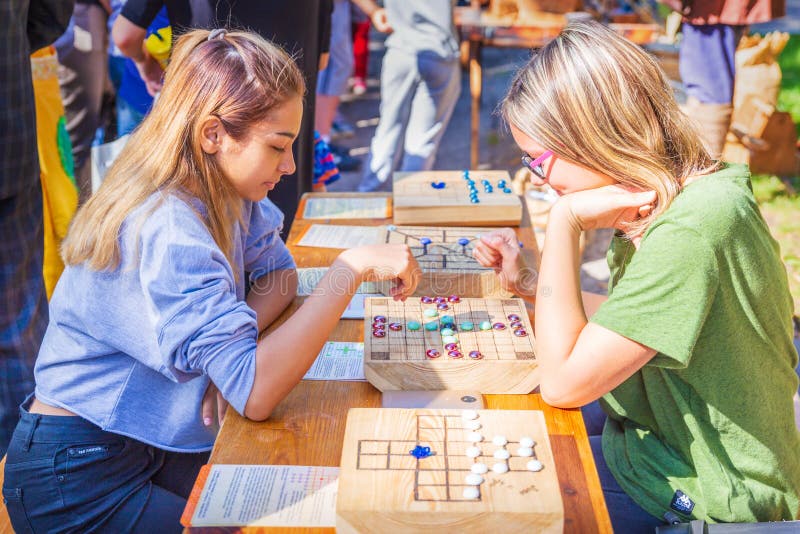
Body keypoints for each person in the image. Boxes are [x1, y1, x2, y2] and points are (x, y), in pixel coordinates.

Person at [3, 29, 420, 532]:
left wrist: (234, 352)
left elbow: (278, 274)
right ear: (213, 134)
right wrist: (347, 272)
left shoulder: (224, 185)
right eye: (277, 147)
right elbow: (257, 394)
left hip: (149, 444)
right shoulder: (170, 224)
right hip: (79, 473)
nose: (289, 167)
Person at [473, 21, 800, 531]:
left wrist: (564, 223)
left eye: (539, 162)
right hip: (660, 441)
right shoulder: (685, 194)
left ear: (590, 137)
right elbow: (640, 321)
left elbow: (563, 383)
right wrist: (534, 286)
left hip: (712, 492)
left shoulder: (692, 229)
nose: (540, 179)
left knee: (498, 498)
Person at [112, 0, 334, 234]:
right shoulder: (176, 231)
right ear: (212, 133)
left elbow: (125, 35)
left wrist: (146, 65)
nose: (289, 166)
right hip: (284, 190)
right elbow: (322, 59)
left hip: (208, 149)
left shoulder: (170, 223)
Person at [0, 0, 73, 459]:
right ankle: (31, 477)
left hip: (12, 146)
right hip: (9, 136)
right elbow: (50, 15)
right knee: (19, 330)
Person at [357, 0, 461, 192]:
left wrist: (373, 11)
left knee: (388, 129)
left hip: (400, 49)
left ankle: (368, 197)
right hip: (437, 49)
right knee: (422, 141)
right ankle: (408, 202)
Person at [667, 0, 786, 158]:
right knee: (706, 89)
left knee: (710, 91)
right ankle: (701, 164)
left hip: (711, 10)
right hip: (714, 11)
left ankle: (705, 167)